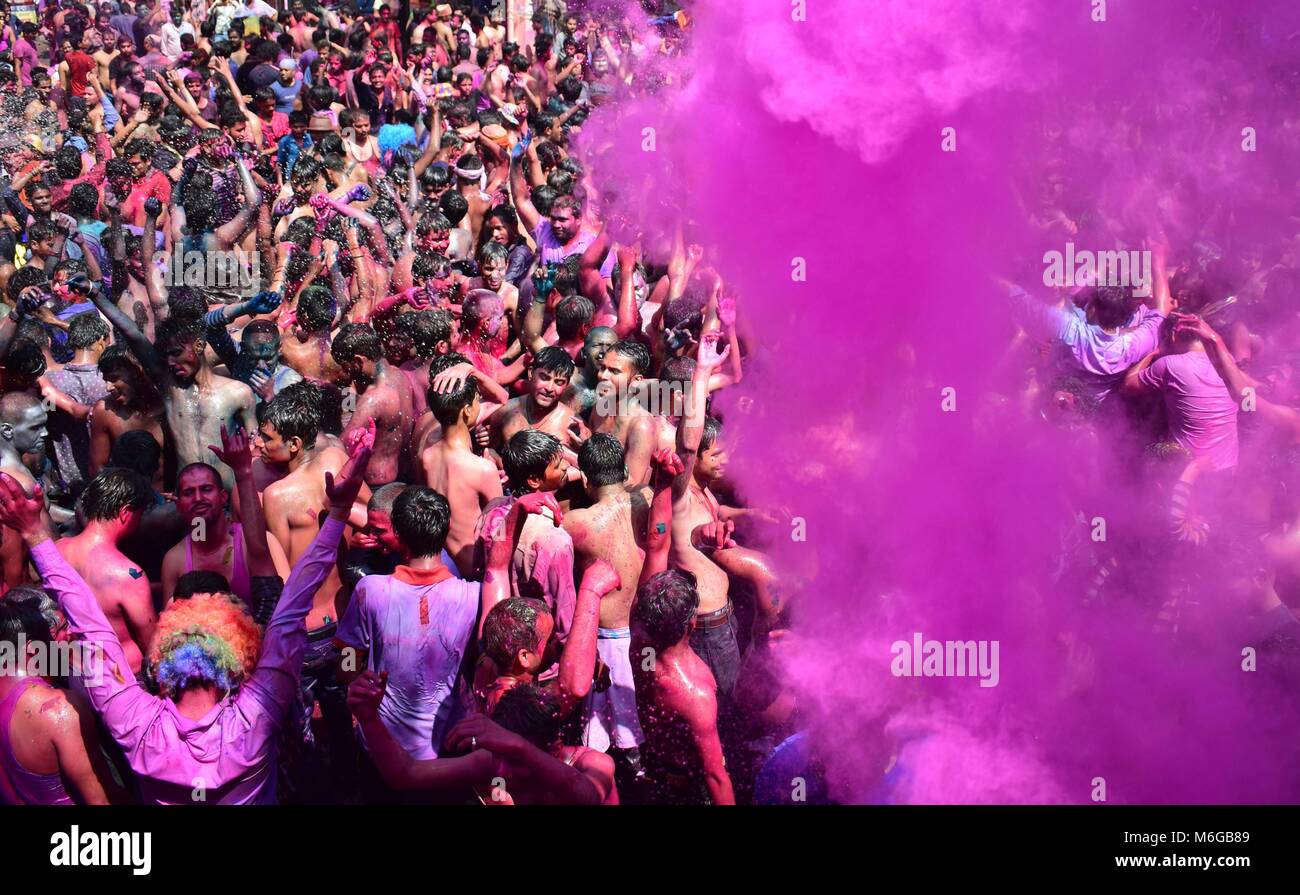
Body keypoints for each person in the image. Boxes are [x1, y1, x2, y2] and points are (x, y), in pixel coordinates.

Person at [631, 569, 734, 805]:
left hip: (660, 769)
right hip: (693, 788)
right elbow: (715, 777)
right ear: (691, 625)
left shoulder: (639, 648)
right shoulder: (694, 696)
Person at [54, 468, 156, 675]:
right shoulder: (128, 574)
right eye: (140, 514)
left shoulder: (56, 550)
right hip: (119, 682)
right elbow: (152, 648)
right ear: (126, 513)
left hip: (71, 671)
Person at [419, 354, 501, 574]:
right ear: (466, 411)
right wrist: (471, 370)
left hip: (442, 559)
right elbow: (498, 532)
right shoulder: (483, 469)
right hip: (474, 567)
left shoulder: (428, 451)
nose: (480, 404)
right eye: (477, 400)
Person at [334, 323, 416, 487]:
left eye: (344, 365)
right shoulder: (400, 375)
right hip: (401, 477)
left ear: (358, 360)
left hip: (375, 485)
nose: (343, 371)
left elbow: (340, 447)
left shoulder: (374, 398)